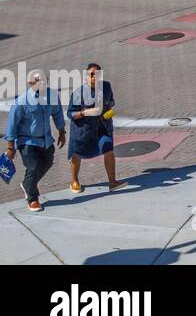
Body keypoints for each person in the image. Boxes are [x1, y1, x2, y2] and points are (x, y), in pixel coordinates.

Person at [4, 70, 66, 212]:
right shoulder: (22, 101)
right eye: (38, 81)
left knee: (48, 162)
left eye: (44, 80)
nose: (42, 83)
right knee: (33, 166)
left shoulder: (52, 96)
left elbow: (57, 113)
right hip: (27, 142)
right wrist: (10, 147)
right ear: (31, 83)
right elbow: (12, 124)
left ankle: (27, 184)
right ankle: (32, 198)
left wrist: (62, 132)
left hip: (46, 140)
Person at [66, 63, 123, 194]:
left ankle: (112, 182)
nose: (94, 77)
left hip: (102, 126)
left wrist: (108, 110)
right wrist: (85, 113)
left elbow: (111, 100)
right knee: (77, 154)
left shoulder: (106, 86)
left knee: (108, 148)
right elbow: (70, 113)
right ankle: (74, 180)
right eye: (91, 75)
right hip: (83, 129)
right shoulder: (78, 93)